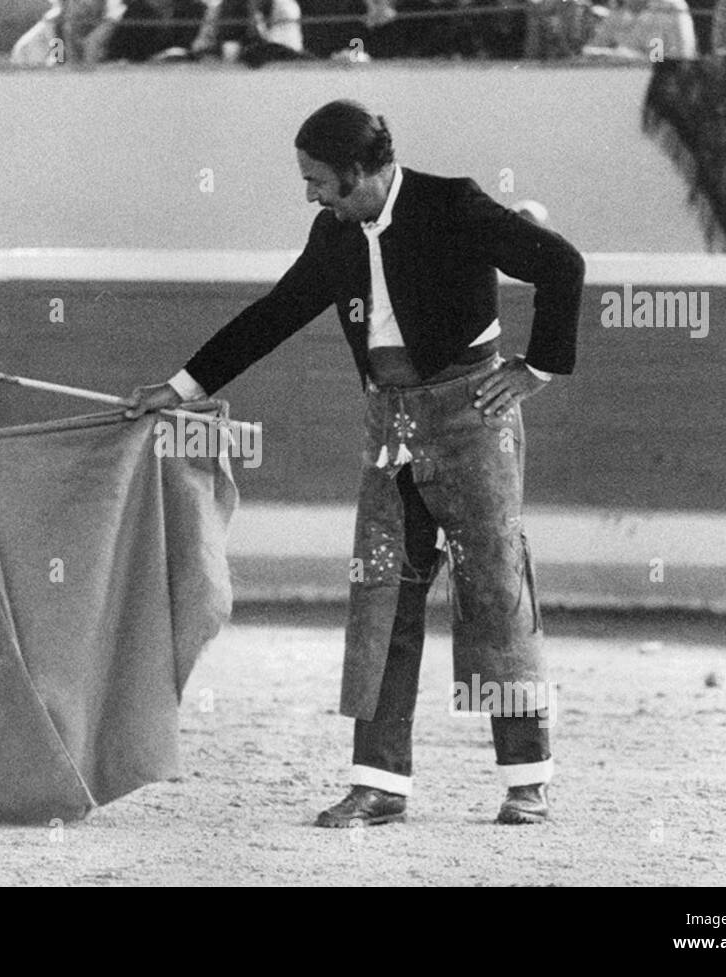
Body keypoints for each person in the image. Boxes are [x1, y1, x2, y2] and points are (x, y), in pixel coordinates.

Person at [126, 101, 585, 826]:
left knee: (494, 586)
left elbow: (561, 264)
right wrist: (183, 388)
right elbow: (276, 313)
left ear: (363, 172)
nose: (310, 194)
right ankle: (379, 783)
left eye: (319, 181)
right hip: (390, 424)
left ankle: (527, 777)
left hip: (475, 418)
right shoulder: (334, 231)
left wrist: (539, 368)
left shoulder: (451, 203)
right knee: (381, 594)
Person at [581, 0, 697, 60]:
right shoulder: (617, 14)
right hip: (619, 88)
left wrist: (626, 57)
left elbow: (681, 59)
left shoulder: (671, 7)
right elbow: (594, 51)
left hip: (660, 92)